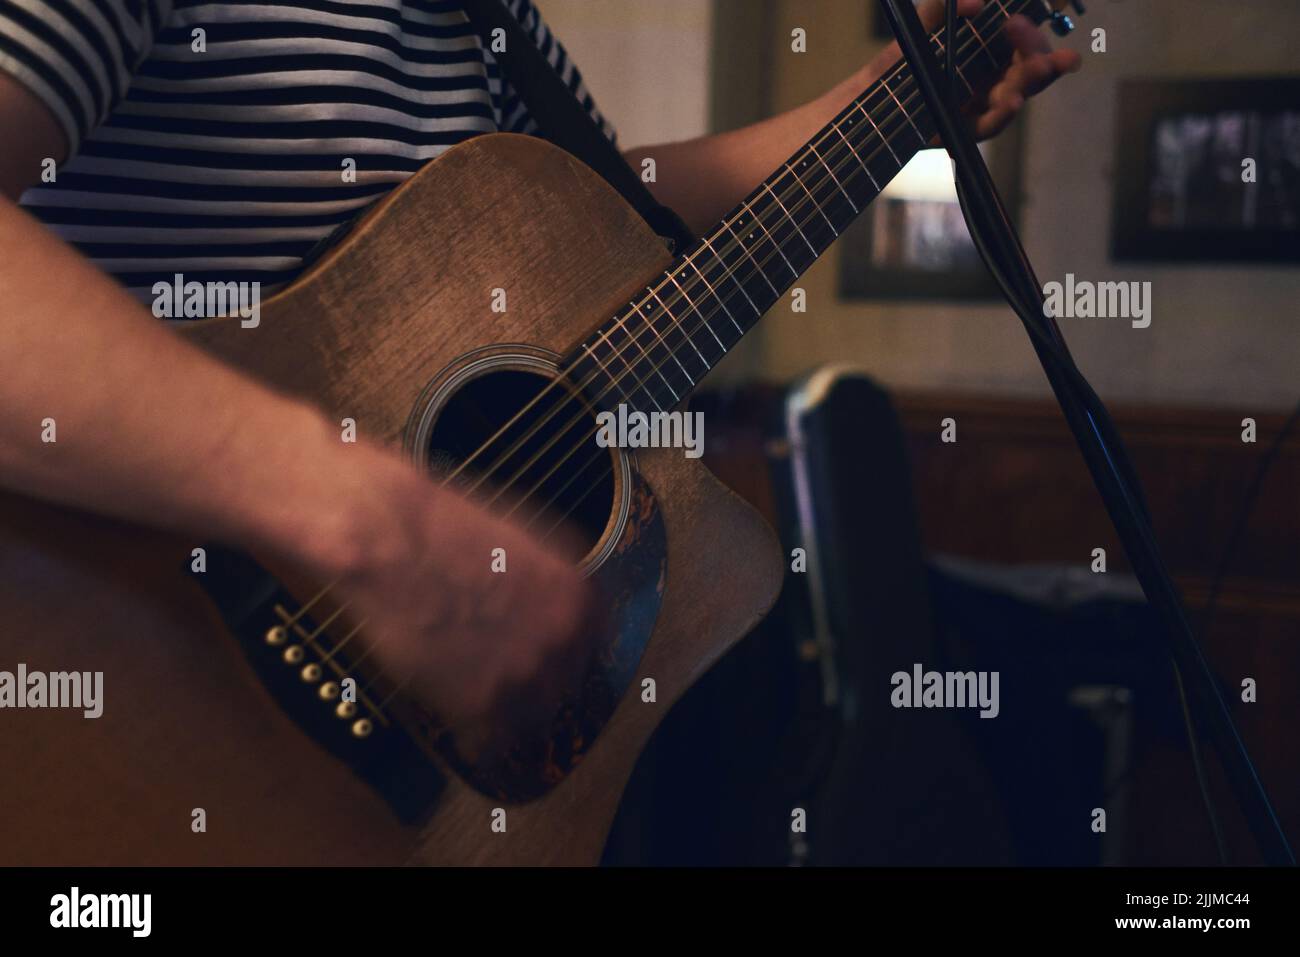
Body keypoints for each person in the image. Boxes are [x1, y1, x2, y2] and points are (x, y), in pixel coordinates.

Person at [0, 0, 1079, 749]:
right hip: (129, 688)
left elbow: (609, 221)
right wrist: (358, 516)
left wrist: (878, 107)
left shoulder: (479, 21)